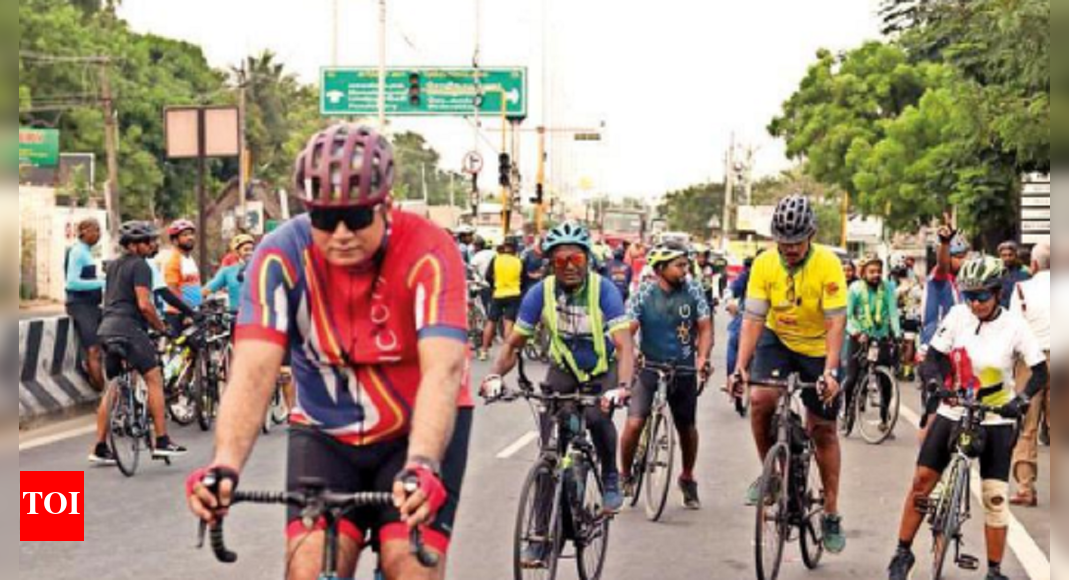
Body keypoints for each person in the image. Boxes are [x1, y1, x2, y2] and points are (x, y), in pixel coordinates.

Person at [186, 124, 471, 580]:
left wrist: (422, 463)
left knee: (409, 565)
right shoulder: (279, 255)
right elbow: (254, 372)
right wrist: (223, 465)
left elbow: (444, 370)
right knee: (307, 566)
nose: (340, 233)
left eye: (357, 218)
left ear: (386, 206)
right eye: (323, 218)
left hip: (414, 430)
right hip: (325, 431)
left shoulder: (430, 251)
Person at [481, 221, 636, 566]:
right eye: (560, 259)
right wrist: (493, 374)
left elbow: (625, 346)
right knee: (550, 451)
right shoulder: (540, 293)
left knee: (596, 415)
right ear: (550, 263)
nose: (568, 266)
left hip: (601, 369)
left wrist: (622, 388)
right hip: (564, 369)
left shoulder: (604, 290)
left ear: (588, 260)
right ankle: (538, 537)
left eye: (575, 259)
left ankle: (610, 476)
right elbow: (513, 344)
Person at [887, 256, 1048, 580]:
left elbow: (1040, 371)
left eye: (981, 297)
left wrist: (1021, 400)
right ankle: (902, 553)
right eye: (969, 296)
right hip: (954, 408)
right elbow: (933, 358)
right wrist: (935, 385)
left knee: (994, 496)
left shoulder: (1015, 326)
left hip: (996, 418)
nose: (974, 304)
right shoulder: (958, 316)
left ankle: (994, 570)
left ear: (997, 293)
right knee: (921, 483)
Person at [733, 194, 849, 555]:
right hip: (777, 339)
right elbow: (752, 319)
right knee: (759, 399)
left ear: (810, 236)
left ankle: (830, 512)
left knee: (823, 429)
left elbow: (835, 322)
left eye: (796, 243)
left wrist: (830, 371)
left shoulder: (828, 265)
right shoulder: (765, 264)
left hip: (818, 347)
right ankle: (772, 476)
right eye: (783, 242)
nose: (789, 249)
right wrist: (740, 366)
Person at [620, 246, 713, 510]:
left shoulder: (693, 291)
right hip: (649, 367)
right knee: (635, 422)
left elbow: (705, 329)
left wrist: (703, 357)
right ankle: (624, 474)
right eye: (679, 265)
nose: (685, 271)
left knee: (687, 428)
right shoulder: (644, 294)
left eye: (686, 265)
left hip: (683, 369)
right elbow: (628, 330)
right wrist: (634, 350)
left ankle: (687, 477)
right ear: (660, 269)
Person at [88, 221, 187, 465]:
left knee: (113, 385)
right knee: (153, 378)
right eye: (147, 241)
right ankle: (162, 440)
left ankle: (100, 447)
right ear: (133, 245)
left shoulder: (113, 266)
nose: (152, 244)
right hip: (129, 328)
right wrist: (161, 327)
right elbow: (144, 304)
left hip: (106, 327)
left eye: (152, 240)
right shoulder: (140, 266)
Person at [1009, 242, 1050, 507]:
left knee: (1027, 426)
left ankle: (1025, 488)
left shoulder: (1021, 289)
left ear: (1033, 265)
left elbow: (1014, 331)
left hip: (1031, 362)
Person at [843, 254, 901, 433]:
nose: (876, 275)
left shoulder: (888, 288)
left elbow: (893, 312)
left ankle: (884, 419)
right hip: (859, 338)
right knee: (852, 379)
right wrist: (856, 332)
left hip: (880, 338)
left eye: (878, 271)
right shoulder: (854, 288)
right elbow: (848, 315)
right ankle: (847, 414)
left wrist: (897, 333)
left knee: (886, 382)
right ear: (863, 272)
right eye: (872, 271)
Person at [65, 218, 106, 395]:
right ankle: (98, 388)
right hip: (81, 306)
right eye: (94, 230)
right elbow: (72, 283)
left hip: (92, 305)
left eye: (99, 230)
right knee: (93, 349)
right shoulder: (77, 252)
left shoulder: (87, 252)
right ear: (83, 232)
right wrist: (102, 283)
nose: (98, 234)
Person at [921, 222, 970, 351]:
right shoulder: (940, 277)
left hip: (957, 344)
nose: (964, 261)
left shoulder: (964, 280)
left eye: (965, 256)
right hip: (935, 344)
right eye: (959, 257)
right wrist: (945, 244)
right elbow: (943, 266)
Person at [480, 239, 523, 361]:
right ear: (515, 249)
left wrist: (495, 285)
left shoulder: (496, 259)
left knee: (491, 322)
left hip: (498, 294)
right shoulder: (519, 261)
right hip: (514, 294)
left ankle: (484, 351)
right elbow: (523, 278)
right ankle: (506, 352)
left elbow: (488, 276)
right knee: (508, 323)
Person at [725, 253, 759, 390]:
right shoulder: (747, 276)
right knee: (735, 339)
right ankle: (733, 378)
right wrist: (730, 302)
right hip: (745, 318)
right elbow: (731, 290)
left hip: (775, 325)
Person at [163, 219, 203, 333]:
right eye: (185, 235)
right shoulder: (174, 261)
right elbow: (172, 289)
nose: (190, 237)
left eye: (191, 234)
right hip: (179, 315)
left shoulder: (189, 258)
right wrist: (186, 313)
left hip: (193, 312)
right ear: (175, 241)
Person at [203, 234, 256, 313]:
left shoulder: (262, 269)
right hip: (235, 317)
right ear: (236, 252)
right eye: (246, 250)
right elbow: (208, 288)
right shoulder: (228, 271)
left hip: (257, 318)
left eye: (252, 249)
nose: (250, 253)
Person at [997, 241, 1031, 308]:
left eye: (1010, 255)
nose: (1007, 258)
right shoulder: (998, 274)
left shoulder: (1024, 273)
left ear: (1015, 255)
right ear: (1000, 256)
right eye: (1004, 255)